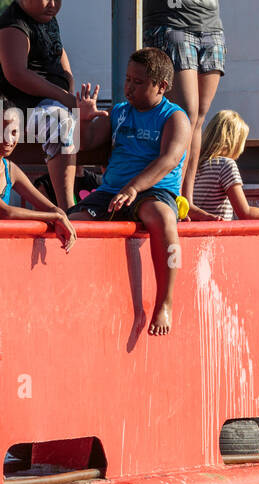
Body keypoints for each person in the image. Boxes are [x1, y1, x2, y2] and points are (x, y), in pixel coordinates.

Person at [104, 0, 241, 219]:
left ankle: (186, 197)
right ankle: (171, 192)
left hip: (210, 28)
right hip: (169, 23)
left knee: (199, 117)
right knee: (186, 110)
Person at [70, 48, 189, 337]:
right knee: (71, 223)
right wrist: (84, 119)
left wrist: (135, 187)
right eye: (127, 80)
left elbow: (170, 159)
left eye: (138, 82)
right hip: (112, 190)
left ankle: (165, 302)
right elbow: (86, 143)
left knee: (161, 218)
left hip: (153, 190)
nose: (129, 88)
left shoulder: (174, 117)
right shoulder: (120, 112)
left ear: (161, 86)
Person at [0, 0, 81, 206]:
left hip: (50, 104)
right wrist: (64, 97)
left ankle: (104, 197)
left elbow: (60, 55)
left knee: (105, 125)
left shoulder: (47, 20)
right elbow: (17, 74)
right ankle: (67, 206)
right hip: (14, 112)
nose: (53, 5)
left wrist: (71, 90)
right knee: (60, 122)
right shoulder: (12, 28)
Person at [0, 96, 77, 250]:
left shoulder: (11, 169)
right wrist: (56, 216)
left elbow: (51, 208)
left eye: (13, 132)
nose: (8, 139)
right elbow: (5, 212)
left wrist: (59, 215)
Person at [193, 110, 259, 228]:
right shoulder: (225, 165)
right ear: (235, 141)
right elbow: (245, 213)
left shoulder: (194, 165)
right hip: (216, 237)